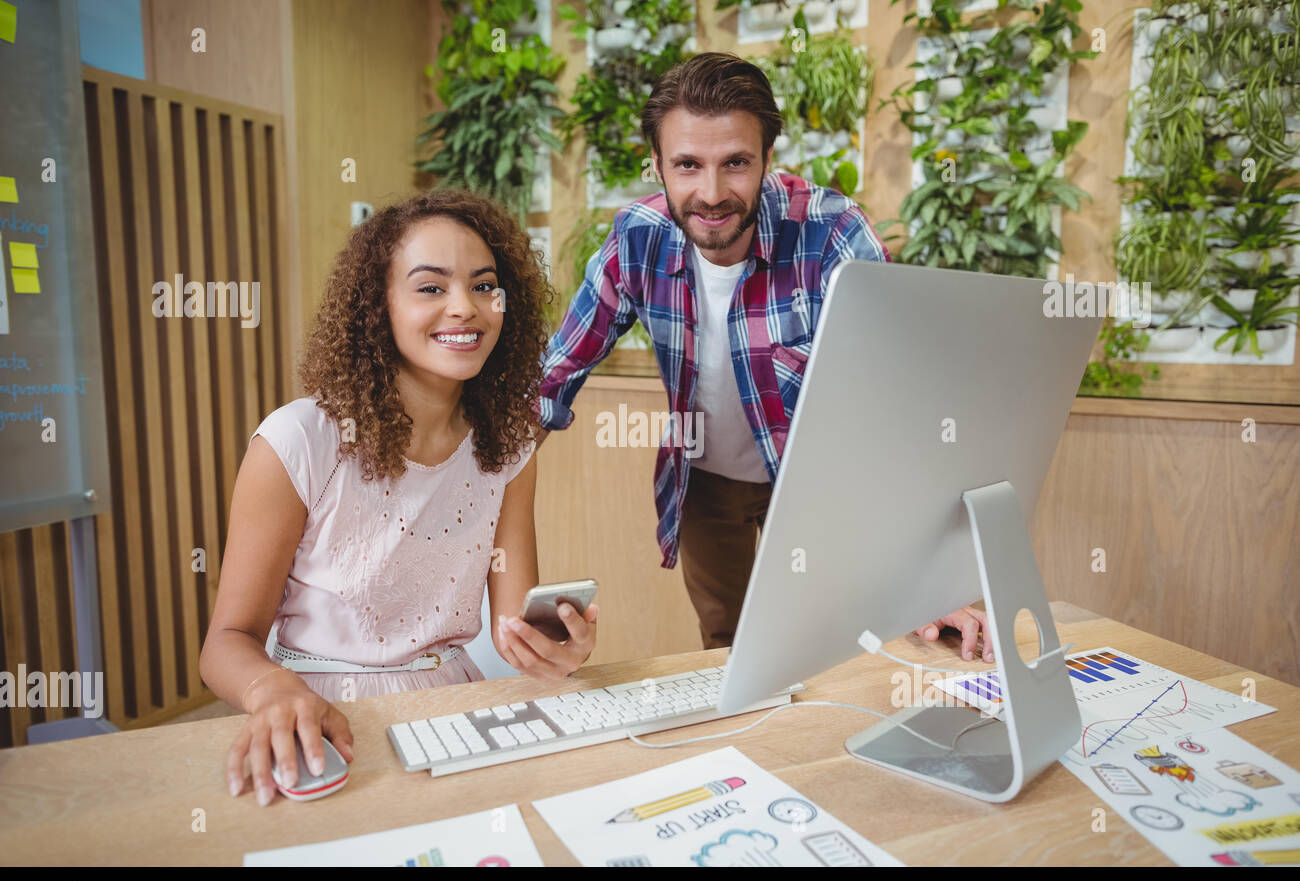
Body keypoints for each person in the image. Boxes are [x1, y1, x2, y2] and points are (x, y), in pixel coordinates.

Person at [536, 53, 991, 660]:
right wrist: (460, 495)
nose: (713, 193)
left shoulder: (833, 233)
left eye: (736, 164)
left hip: (817, 481)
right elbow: (553, 378)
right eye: (688, 165)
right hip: (705, 482)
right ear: (657, 164)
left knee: (839, 646)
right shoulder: (636, 236)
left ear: (767, 160)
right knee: (730, 649)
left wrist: (927, 578)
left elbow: (899, 404)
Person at [199, 190, 598, 807]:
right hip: (312, 711)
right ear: (376, 307)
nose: (465, 308)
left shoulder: (510, 444)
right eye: (431, 288)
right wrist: (269, 691)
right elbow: (227, 639)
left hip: (453, 702)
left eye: (484, 285)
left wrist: (555, 650)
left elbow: (514, 628)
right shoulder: (300, 439)